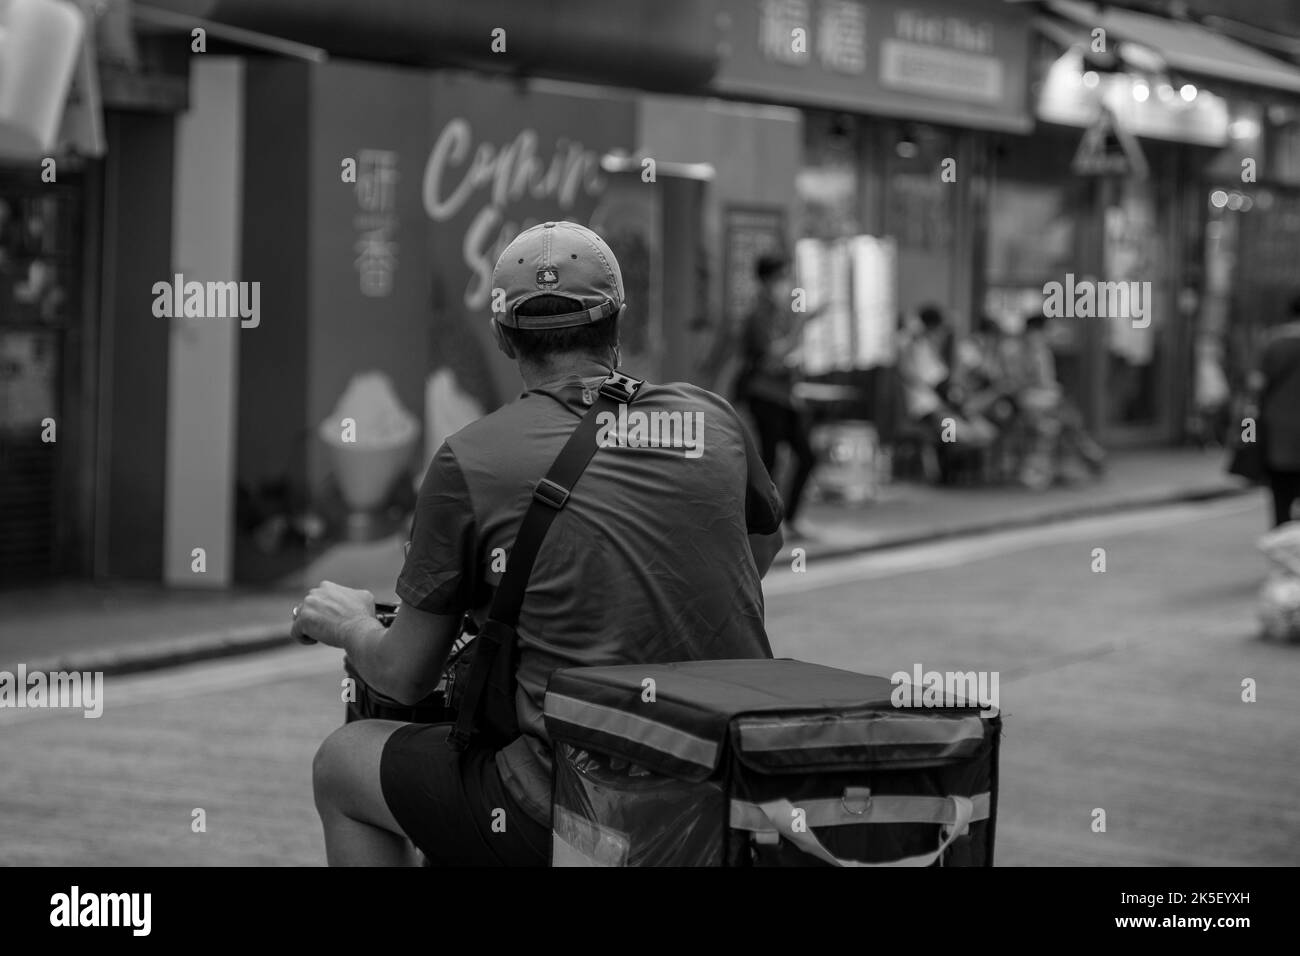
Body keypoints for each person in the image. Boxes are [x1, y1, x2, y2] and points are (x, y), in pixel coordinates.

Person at [294, 221, 785, 866]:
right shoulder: (711, 419)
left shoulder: (470, 458)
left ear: (502, 335)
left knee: (342, 764)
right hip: (727, 787)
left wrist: (351, 623)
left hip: (571, 804)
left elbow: (406, 677)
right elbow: (757, 557)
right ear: (618, 323)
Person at [734, 253, 818, 539]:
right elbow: (773, 354)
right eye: (783, 276)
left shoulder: (781, 311)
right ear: (769, 279)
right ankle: (760, 524)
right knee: (768, 460)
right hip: (764, 394)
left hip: (785, 395)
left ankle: (786, 519)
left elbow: (785, 356)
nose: (787, 283)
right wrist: (801, 325)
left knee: (806, 455)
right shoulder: (757, 313)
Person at [1256, 296, 1300, 526]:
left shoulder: (1274, 343)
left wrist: (1248, 437)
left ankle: (1283, 541)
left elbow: (1255, 392)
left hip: (1278, 436)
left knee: (1281, 499)